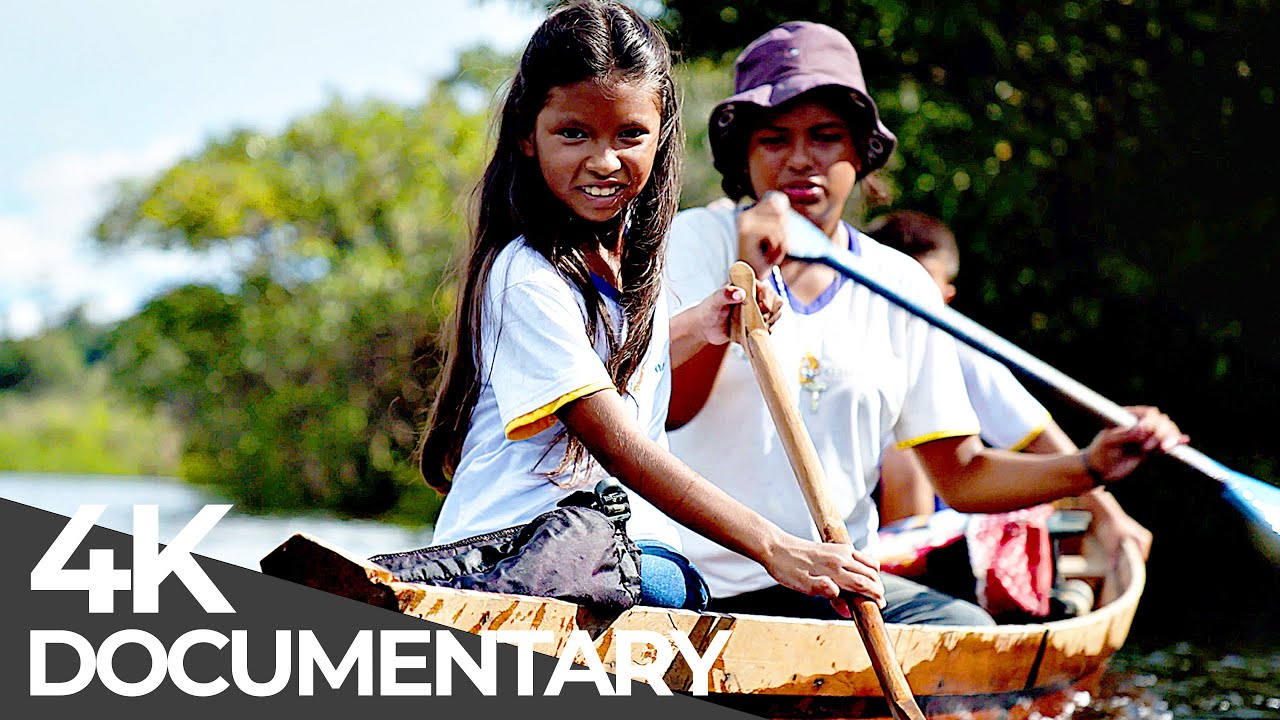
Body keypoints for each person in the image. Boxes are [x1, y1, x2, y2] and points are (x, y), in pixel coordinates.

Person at [664, 20, 1186, 625]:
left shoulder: (901, 283)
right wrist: (746, 279)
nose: (801, 160)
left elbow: (961, 476)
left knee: (968, 627)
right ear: (744, 155)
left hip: (842, 589)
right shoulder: (694, 242)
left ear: (859, 154)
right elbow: (674, 409)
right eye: (773, 139)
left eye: (827, 137)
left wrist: (1092, 465)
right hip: (697, 586)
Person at [414, 1, 883, 614]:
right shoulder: (526, 275)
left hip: (616, 547)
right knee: (672, 584)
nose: (605, 161)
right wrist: (776, 548)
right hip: (517, 546)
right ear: (528, 137)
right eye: (574, 133)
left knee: (678, 580)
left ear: (660, 137)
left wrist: (710, 323)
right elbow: (619, 445)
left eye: (630, 135)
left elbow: (624, 362)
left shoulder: (636, 263)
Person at [868, 210, 1154, 562]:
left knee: (911, 457)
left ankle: (914, 574)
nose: (907, 302)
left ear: (946, 295)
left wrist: (1111, 517)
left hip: (941, 525)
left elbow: (1038, 437)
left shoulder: (962, 355)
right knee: (902, 458)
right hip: (860, 529)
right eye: (894, 288)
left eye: (922, 290)